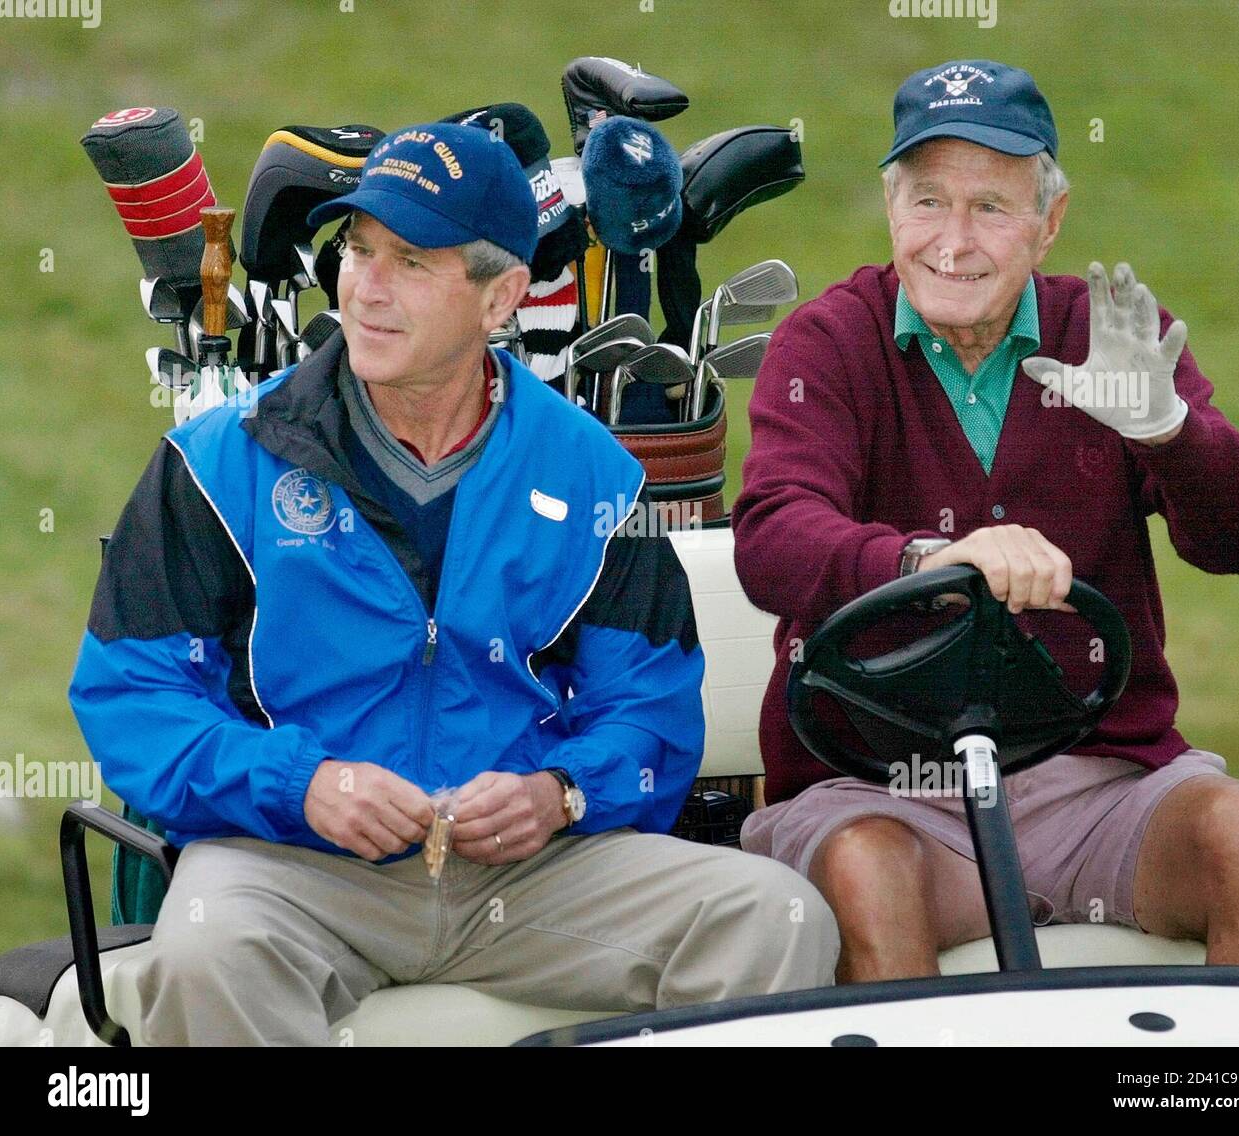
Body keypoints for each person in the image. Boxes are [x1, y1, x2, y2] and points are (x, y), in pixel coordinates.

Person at [69, 122, 837, 1045]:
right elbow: (131, 696)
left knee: (776, 917)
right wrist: (301, 782)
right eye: (357, 252)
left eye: (413, 262)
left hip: (528, 872)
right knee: (200, 952)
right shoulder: (216, 461)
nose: (367, 288)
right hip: (289, 859)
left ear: (502, 295)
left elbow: (653, 712)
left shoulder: (592, 473)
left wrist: (561, 792)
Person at [733, 61, 1239, 983]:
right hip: (884, 791)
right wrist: (931, 557)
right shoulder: (829, 341)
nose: (953, 242)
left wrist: (1168, 431)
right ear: (890, 210)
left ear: (1049, 222)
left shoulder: (1106, 331)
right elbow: (772, 536)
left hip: (1104, 783)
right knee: (868, 871)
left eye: (991, 207)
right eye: (927, 203)